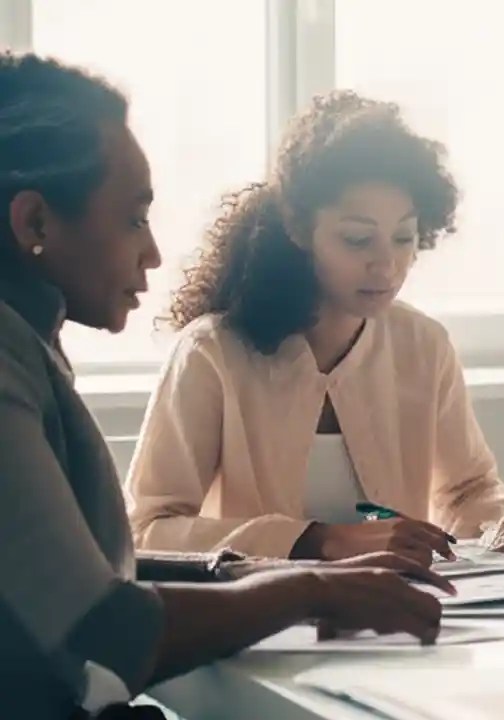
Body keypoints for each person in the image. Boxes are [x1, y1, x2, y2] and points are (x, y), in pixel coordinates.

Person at [0, 52, 453, 719]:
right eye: (133, 218)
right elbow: (106, 628)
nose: (152, 252)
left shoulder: (28, 346)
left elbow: (108, 574)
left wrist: (280, 575)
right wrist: (305, 587)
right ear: (35, 223)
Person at [125, 90, 504, 563]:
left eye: (404, 237)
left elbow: (466, 493)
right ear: (299, 230)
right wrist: (317, 540)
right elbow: (149, 529)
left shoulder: (424, 345)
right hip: (260, 618)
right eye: (358, 239)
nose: (386, 264)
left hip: (402, 611)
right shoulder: (212, 352)